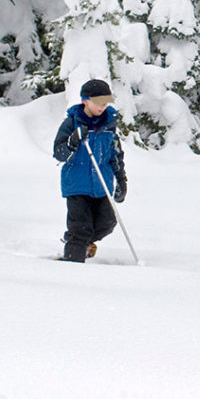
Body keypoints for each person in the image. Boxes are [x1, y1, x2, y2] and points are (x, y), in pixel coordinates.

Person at [52, 79, 127, 262]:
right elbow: (59, 154)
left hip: (102, 185)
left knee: (107, 223)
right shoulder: (71, 123)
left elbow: (115, 154)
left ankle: (79, 241)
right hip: (77, 185)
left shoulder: (109, 125)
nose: (103, 106)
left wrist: (121, 179)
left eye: (106, 102)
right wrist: (72, 141)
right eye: (98, 102)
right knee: (81, 228)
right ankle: (73, 260)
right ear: (85, 101)